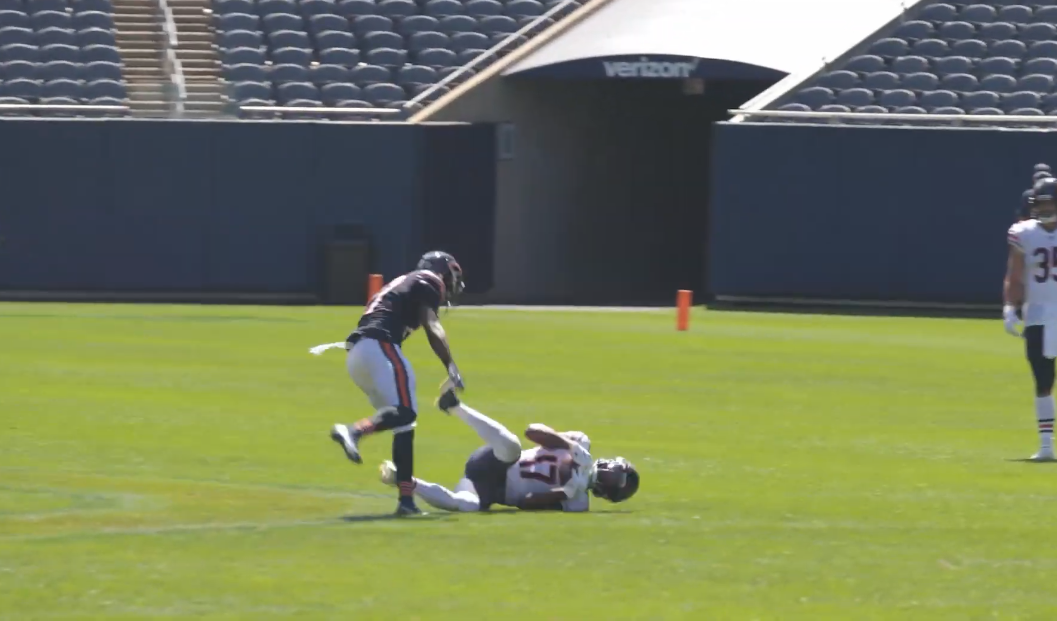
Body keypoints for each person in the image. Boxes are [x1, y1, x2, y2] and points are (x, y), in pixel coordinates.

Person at [310, 251, 466, 515]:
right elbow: (432, 324)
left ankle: (406, 502)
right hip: (380, 346)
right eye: (453, 274)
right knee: (406, 410)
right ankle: (354, 431)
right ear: (443, 270)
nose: (453, 282)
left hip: (358, 356)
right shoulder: (429, 280)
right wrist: (450, 364)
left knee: (404, 423)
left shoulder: (404, 281)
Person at [377, 382, 640, 512]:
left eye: (614, 477)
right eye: (613, 469)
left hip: (493, 490)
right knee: (513, 446)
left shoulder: (578, 503)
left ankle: (404, 480)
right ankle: (454, 406)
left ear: (609, 492)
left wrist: (565, 492)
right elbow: (532, 431)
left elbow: (525, 503)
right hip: (496, 460)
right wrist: (568, 445)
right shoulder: (581, 443)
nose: (607, 471)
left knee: (465, 506)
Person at [1005, 177, 1057, 460]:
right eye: (1041, 203)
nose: (1044, 208)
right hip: (1038, 315)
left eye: (1050, 202)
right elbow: (1014, 273)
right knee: (1043, 381)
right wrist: (1010, 307)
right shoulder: (1024, 232)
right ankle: (1047, 446)